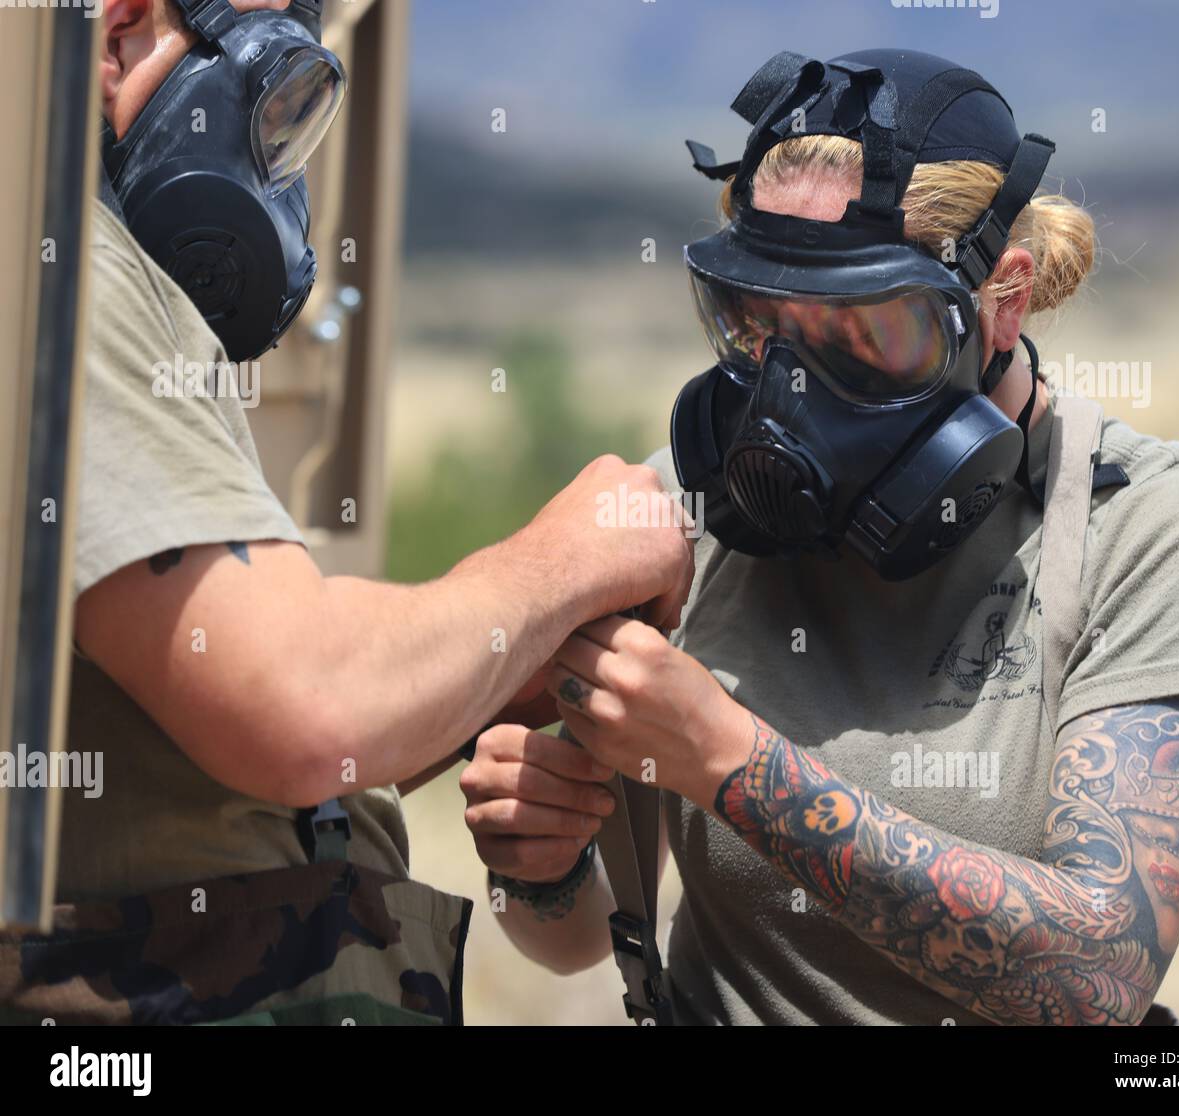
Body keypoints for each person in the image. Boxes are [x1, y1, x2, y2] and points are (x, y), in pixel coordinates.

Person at [463, 48, 1179, 1025]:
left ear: (1004, 300)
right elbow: (577, 945)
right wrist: (545, 865)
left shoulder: (1150, 531)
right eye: (760, 323)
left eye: (868, 331)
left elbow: (1093, 975)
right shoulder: (690, 518)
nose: (793, 393)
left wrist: (727, 760)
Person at [0, 0, 691, 1026]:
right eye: (273, 96)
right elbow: (303, 707)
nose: (275, 170)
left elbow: (212, 747)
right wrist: (568, 559)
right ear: (120, 34)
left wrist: (511, 666)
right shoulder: (72, 273)